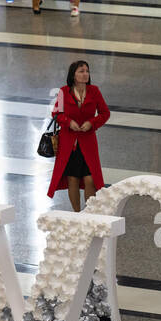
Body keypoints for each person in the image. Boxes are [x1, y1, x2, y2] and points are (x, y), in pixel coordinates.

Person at [49, 60, 110, 210]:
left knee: (90, 179)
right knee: (73, 179)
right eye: (81, 71)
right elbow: (56, 113)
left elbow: (105, 113)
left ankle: (88, 212)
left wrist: (92, 123)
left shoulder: (94, 91)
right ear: (73, 75)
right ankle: (76, 213)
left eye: (87, 71)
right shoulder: (64, 91)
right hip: (69, 143)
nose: (85, 74)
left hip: (88, 142)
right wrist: (68, 121)